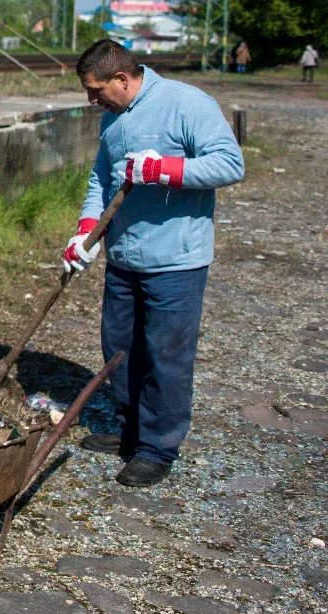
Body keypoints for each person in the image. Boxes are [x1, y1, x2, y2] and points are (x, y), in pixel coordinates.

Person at [63, 40, 244, 488]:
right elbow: (100, 182)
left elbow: (229, 163)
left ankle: (157, 448)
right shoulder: (113, 120)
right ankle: (130, 431)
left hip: (176, 261)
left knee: (166, 357)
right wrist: (86, 234)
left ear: (122, 79)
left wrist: (166, 170)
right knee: (120, 349)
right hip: (125, 256)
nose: (91, 100)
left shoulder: (186, 104)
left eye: (96, 90)